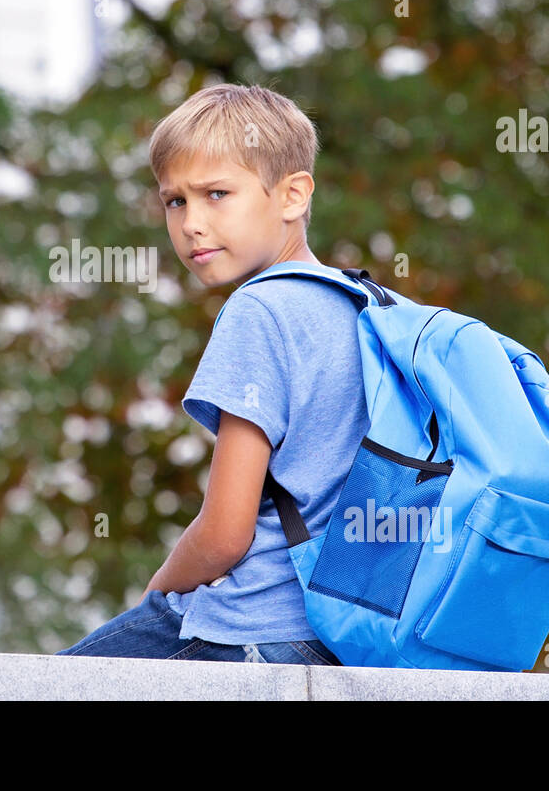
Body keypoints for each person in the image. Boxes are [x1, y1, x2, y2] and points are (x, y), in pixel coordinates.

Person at [55, 82, 372, 666]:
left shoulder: (259, 310)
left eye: (216, 194)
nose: (192, 223)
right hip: (352, 639)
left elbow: (226, 533)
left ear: (293, 195)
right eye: (175, 201)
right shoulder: (372, 310)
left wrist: (156, 594)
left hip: (253, 630)